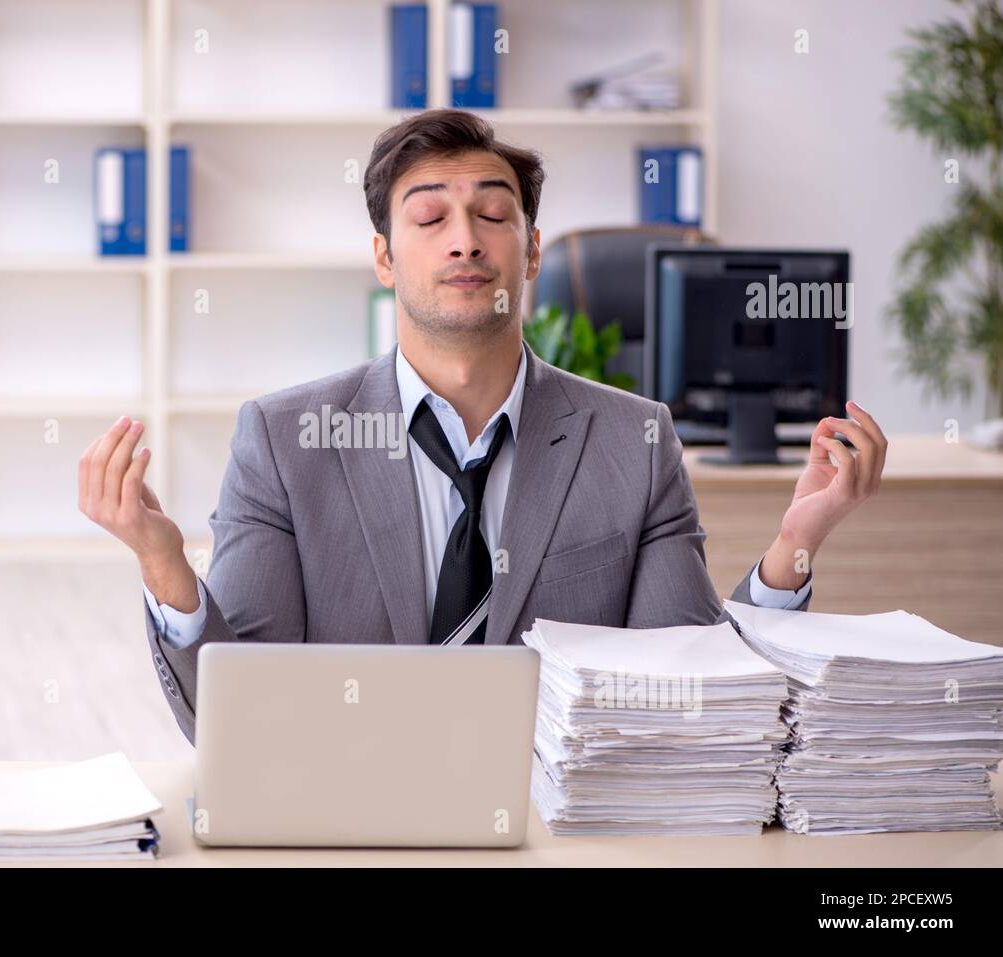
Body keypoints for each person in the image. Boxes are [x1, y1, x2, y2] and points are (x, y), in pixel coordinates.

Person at [77, 109, 887, 744]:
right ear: (385, 259)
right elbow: (232, 714)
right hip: (352, 816)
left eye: (493, 215)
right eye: (430, 219)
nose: (465, 239)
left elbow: (684, 691)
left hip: (557, 825)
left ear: (531, 252)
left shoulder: (634, 442)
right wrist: (163, 563)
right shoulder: (286, 441)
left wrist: (793, 550)